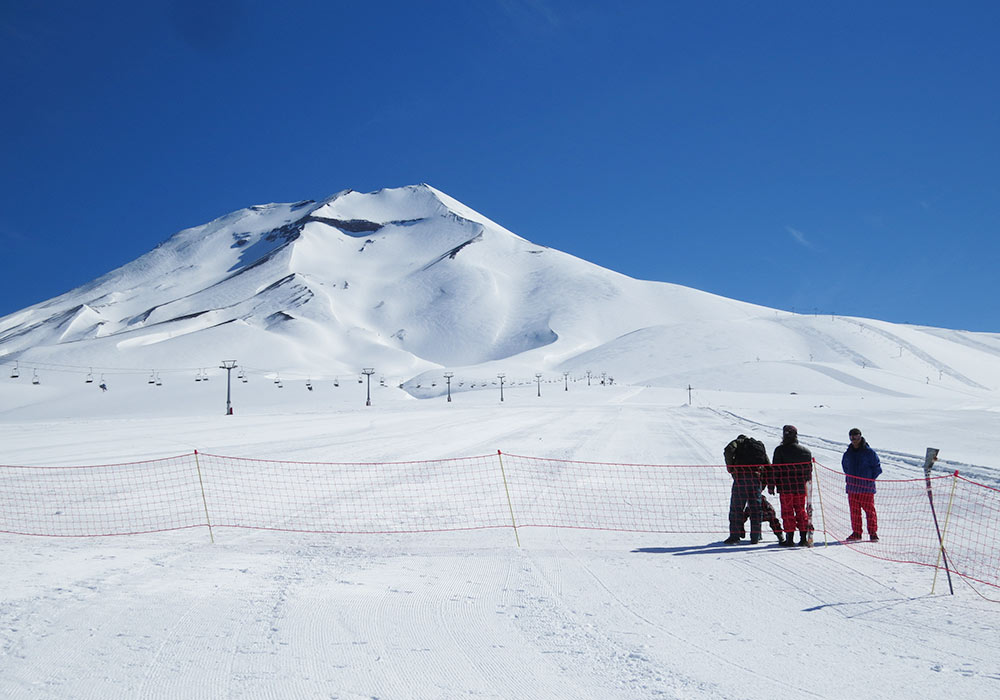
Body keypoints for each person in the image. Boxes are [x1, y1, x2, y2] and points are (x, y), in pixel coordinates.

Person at [770, 425, 813, 547]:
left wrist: (772, 484)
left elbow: (776, 469)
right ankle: (803, 538)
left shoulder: (780, 450)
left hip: (785, 487)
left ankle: (789, 539)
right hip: (800, 487)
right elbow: (808, 471)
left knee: (787, 512)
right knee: (801, 511)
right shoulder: (806, 451)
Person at [723, 434, 769, 545]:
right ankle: (755, 537)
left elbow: (728, 450)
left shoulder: (738, 443)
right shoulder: (757, 446)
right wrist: (765, 482)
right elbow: (767, 464)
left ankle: (734, 537)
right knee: (756, 509)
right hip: (756, 479)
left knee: (736, 508)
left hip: (741, 478)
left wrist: (731, 467)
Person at [842, 427, 882, 542]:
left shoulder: (869, 452)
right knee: (854, 512)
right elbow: (845, 467)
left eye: (856, 436)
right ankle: (856, 533)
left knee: (870, 511)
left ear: (861, 436)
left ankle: (873, 533)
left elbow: (877, 468)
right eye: (852, 437)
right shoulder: (848, 453)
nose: (854, 439)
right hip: (852, 489)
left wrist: (869, 480)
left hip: (866, 489)